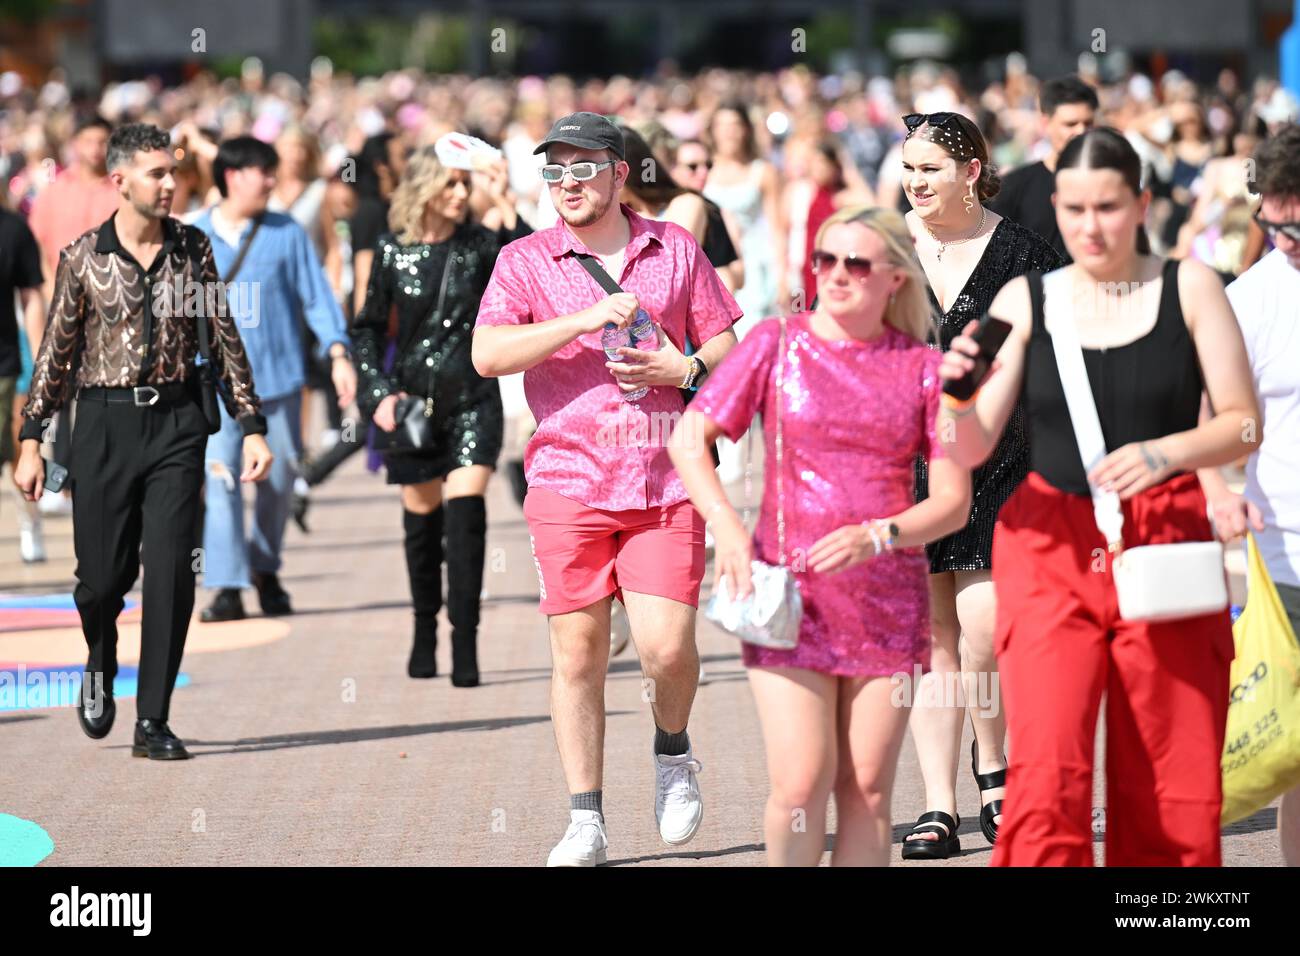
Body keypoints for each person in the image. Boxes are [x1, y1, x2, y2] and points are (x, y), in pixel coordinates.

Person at [938, 127, 1259, 865]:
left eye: (1109, 207)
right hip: (1049, 541)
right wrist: (954, 398)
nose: (1090, 227)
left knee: (1172, 774)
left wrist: (1163, 453)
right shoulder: (1025, 300)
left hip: (1165, 537)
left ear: (1142, 203)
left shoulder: (1192, 285)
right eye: (1075, 208)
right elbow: (971, 445)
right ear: (1056, 203)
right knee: (1048, 773)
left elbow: (1242, 422)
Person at [473, 112, 740, 866]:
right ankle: (585, 818)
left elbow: (727, 345)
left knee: (666, 650)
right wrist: (582, 319)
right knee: (579, 653)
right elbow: (488, 353)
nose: (566, 184)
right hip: (566, 476)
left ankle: (673, 751)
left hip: (665, 477)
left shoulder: (674, 246)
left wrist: (681, 370)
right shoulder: (525, 260)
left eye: (582, 169)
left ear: (621, 174)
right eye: (553, 171)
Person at [669, 205, 972, 866]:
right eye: (824, 260)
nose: (835, 275)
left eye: (856, 263)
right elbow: (690, 436)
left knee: (865, 788)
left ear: (894, 277)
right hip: (790, 596)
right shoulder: (774, 345)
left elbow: (952, 501)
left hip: (886, 600)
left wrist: (880, 534)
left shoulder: (924, 368)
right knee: (802, 782)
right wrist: (728, 529)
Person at [13, 123, 273, 759]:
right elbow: (55, 353)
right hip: (101, 425)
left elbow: (225, 333)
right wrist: (31, 438)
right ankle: (99, 659)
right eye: (156, 173)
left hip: (178, 426)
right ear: (119, 181)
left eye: (173, 172)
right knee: (102, 580)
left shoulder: (193, 250)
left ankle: (152, 719)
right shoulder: (84, 257)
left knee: (172, 574)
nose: (169, 184)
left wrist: (252, 425)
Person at [899, 110, 1062, 858]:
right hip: (902, 463)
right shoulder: (882, 245)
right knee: (933, 637)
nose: (916, 181)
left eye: (930, 167)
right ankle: (939, 807)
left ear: (971, 170)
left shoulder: (1025, 251)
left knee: (983, 629)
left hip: (999, 458)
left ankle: (993, 764)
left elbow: (1051, 358)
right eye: (909, 167)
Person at [353, 143, 527, 685]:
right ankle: (424, 626)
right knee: (422, 526)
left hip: (474, 398)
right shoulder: (390, 250)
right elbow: (364, 329)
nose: (460, 194)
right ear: (426, 186)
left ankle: (466, 639)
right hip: (410, 407)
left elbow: (536, 264)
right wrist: (378, 393)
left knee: (467, 514)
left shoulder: (481, 244)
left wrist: (504, 199)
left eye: (464, 184)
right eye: (450, 184)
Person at [192, 136, 355, 622]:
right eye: (260, 172)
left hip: (279, 385)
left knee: (277, 483)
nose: (269, 181)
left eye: (271, 171)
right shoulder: (193, 236)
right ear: (230, 176)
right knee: (219, 481)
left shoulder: (286, 233)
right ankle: (226, 586)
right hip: (215, 390)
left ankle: (265, 569)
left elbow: (316, 297)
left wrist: (339, 352)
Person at [1197, 123, 1300, 866]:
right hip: (1289, 549)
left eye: (1298, 225)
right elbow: (1207, 419)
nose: (1286, 238)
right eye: (1273, 223)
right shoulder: (1250, 299)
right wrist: (1214, 489)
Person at [989, 75, 1098, 260]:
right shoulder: (1015, 186)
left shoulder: (1109, 182)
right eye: (1070, 124)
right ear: (1045, 123)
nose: (1081, 132)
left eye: (1088, 123)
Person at [0, 186, 48, 562]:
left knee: (20, 449)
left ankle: (30, 519)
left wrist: (42, 366)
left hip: (8, 365)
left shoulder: (13, 229)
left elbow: (32, 297)